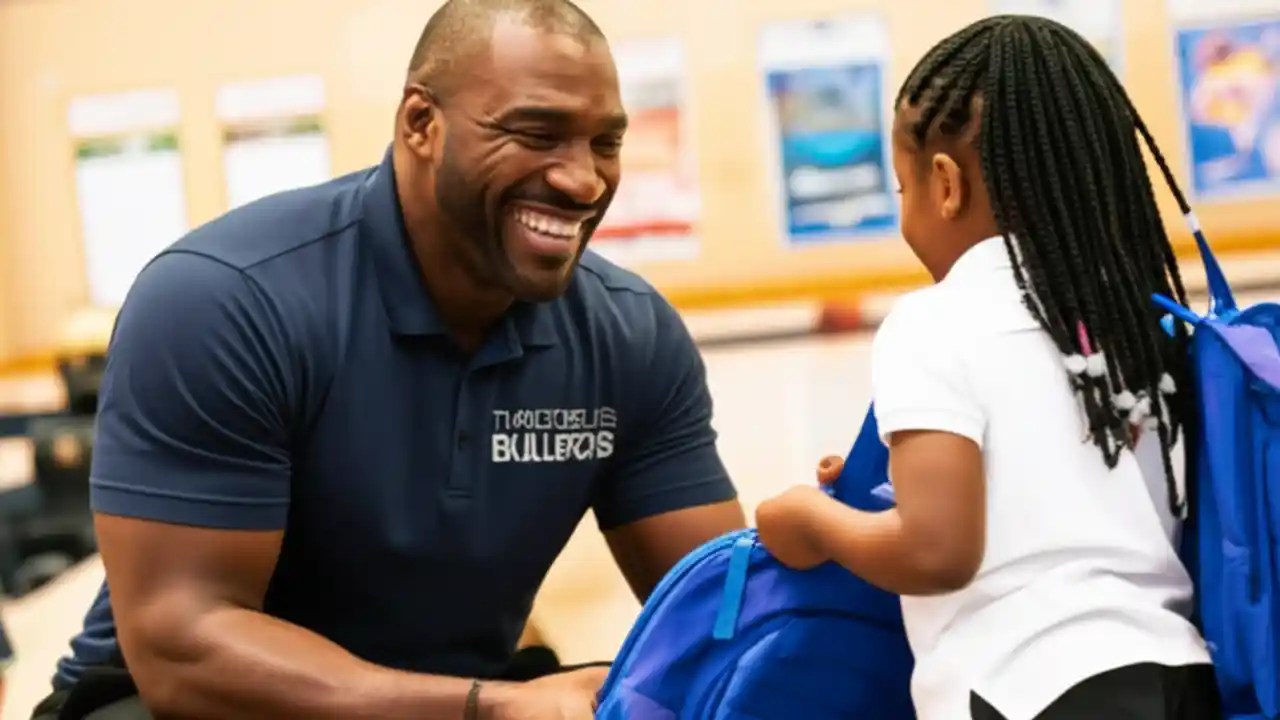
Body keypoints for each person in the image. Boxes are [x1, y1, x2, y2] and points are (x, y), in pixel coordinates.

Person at [35, 1, 745, 717]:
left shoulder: (629, 335)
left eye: (605, 143)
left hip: (456, 691)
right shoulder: (225, 300)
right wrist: (486, 707)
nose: (583, 180)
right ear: (419, 124)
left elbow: (727, 619)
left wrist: (836, 546)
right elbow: (182, 649)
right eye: (537, 133)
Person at [755, 14, 1221, 720]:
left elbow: (938, 549)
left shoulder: (933, 320)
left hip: (1022, 689)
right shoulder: (1134, 325)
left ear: (945, 184)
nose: (906, 217)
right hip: (1182, 674)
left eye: (903, 193)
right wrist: (872, 486)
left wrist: (814, 521)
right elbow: (1060, 505)